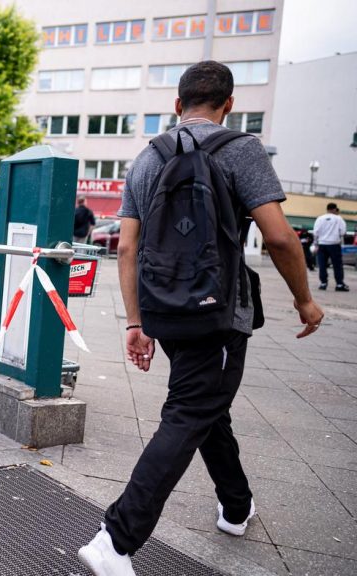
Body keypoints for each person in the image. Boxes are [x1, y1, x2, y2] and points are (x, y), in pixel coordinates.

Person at [78, 61, 325, 576]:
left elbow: (127, 247)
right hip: (217, 313)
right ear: (229, 105)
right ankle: (116, 538)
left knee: (207, 402)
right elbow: (279, 236)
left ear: (177, 105)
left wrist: (135, 321)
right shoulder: (242, 149)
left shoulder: (147, 157)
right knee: (192, 410)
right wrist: (305, 299)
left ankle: (236, 507)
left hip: (165, 309)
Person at [312, 202, 350, 291]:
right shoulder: (338, 218)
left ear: (327, 209)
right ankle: (339, 284)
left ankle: (323, 283)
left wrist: (315, 244)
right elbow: (343, 232)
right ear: (334, 209)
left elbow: (316, 232)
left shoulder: (320, 218)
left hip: (322, 244)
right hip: (334, 244)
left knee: (322, 265)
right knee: (337, 265)